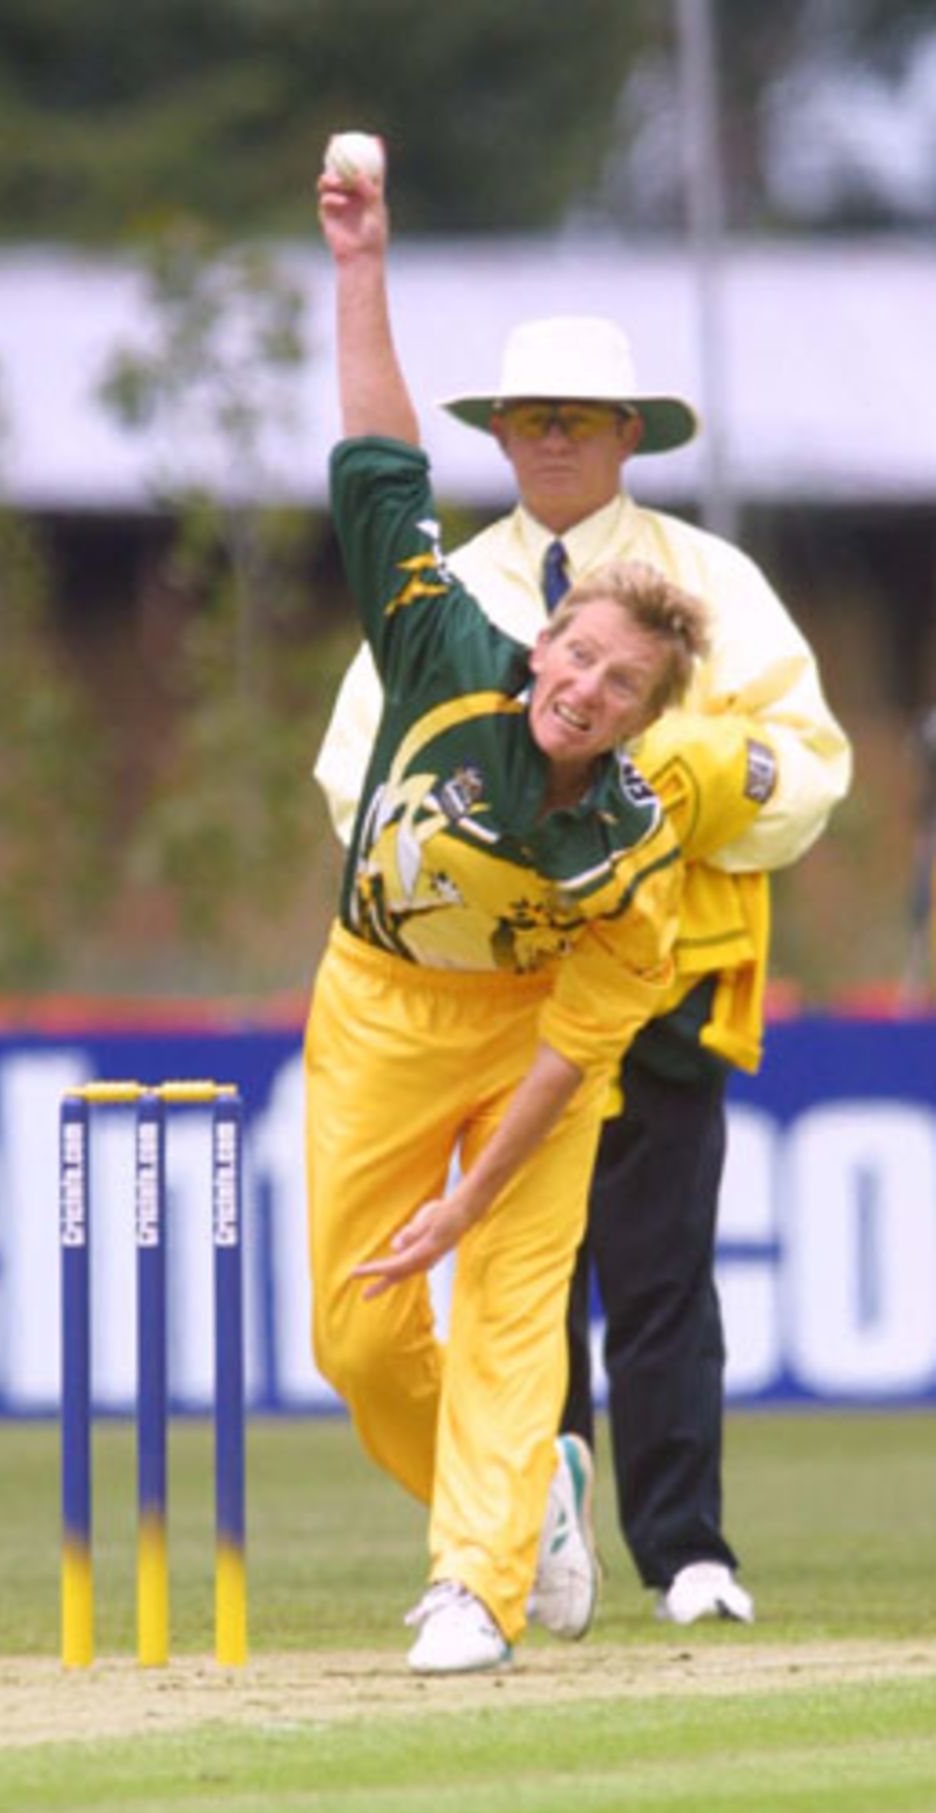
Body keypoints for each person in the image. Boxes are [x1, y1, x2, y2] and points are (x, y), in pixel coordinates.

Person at [314, 151, 853, 1634]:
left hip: (655, 967)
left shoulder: (710, 582)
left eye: (580, 417)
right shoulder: (461, 593)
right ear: (500, 433)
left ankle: (683, 1551)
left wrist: (694, 782)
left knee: (659, 1275)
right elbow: (357, 777)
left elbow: (809, 769)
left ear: (628, 434)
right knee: (490, 1299)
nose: (552, 438)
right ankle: (528, 1523)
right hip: (456, 986)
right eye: (530, 417)